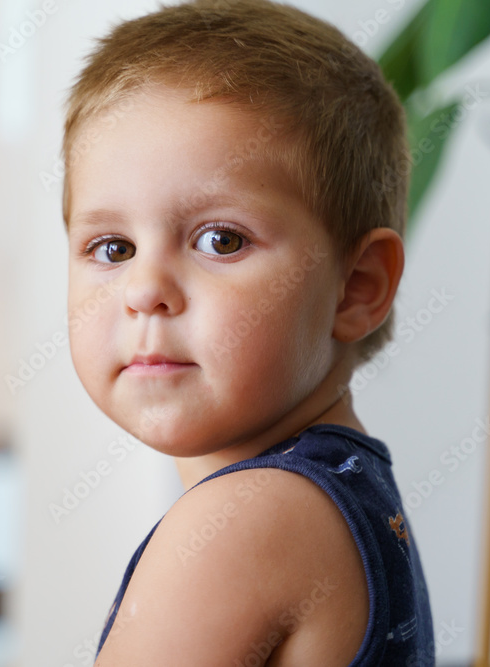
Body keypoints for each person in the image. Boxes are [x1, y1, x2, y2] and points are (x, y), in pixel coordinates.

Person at [60, 0, 434, 663]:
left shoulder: (245, 524)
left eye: (220, 238)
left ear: (357, 287)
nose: (145, 290)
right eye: (112, 248)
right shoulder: (349, 493)